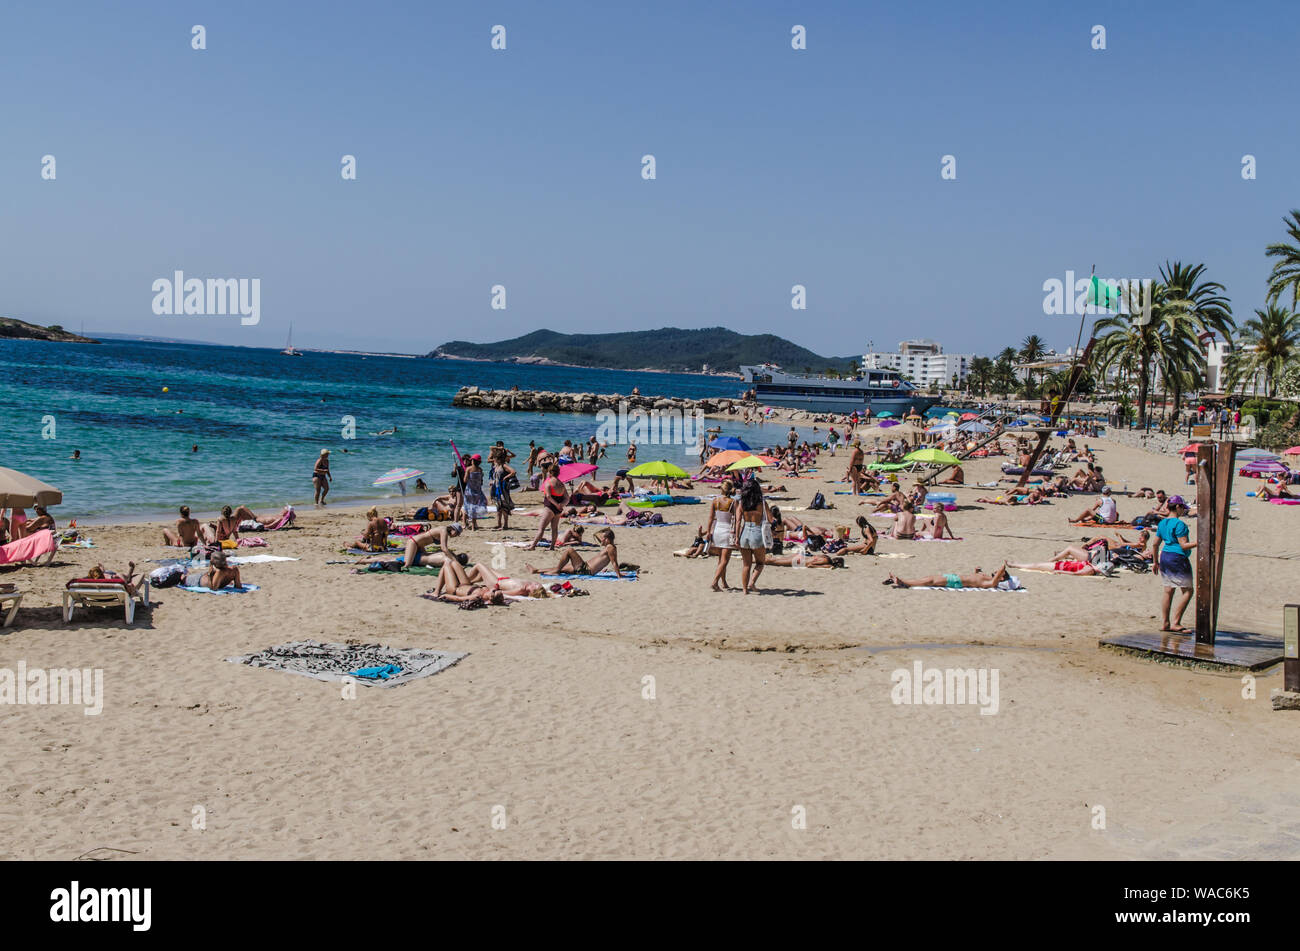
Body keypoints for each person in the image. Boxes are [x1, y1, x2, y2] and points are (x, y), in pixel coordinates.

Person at [1153, 496, 1197, 633]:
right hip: (1177, 558)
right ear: (1177, 507)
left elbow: (1155, 544)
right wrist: (1200, 543)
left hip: (1165, 556)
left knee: (1168, 590)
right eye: (1183, 507)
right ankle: (1176, 623)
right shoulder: (1179, 525)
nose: (1184, 510)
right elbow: (1183, 545)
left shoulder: (1162, 523)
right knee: (1188, 591)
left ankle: (1165, 623)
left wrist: (1155, 562)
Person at [526, 528, 620, 577]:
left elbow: (614, 562)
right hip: (585, 567)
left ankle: (556, 571)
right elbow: (608, 562)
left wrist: (619, 575)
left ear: (607, 539)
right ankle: (536, 570)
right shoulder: (610, 547)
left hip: (586, 570)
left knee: (569, 550)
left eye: (602, 538)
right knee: (563, 568)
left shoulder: (610, 547)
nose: (600, 540)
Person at [733, 477, 769, 594]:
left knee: (746, 565)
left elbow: (738, 521)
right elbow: (771, 518)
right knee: (760, 563)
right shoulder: (762, 503)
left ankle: (744, 590)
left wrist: (736, 537)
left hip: (745, 532)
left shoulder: (742, 503)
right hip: (757, 532)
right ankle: (752, 582)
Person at [526, 464, 568, 551]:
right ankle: (552, 546)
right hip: (558, 509)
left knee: (541, 528)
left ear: (551, 472)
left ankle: (533, 546)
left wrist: (556, 505)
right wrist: (561, 505)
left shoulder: (548, 483)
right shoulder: (561, 484)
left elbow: (548, 496)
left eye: (548, 472)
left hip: (550, 507)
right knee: (554, 528)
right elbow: (567, 498)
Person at [706, 480, 736, 591]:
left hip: (717, 530)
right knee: (724, 560)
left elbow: (710, 518)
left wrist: (708, 531)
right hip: (727, 530)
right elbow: (736, 519)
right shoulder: (732, 502)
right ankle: (715, 582)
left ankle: (723, 582)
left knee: (721, 560)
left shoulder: (715, 501)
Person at [885, 564, 1011, 589]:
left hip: (956, 581)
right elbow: (974, 577)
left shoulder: (991, 583)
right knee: (929, 578)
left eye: (1000, 574)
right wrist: (976, 571)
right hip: (954, 577)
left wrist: (1003, 567)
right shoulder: (985, 577)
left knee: (930, 581)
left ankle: (903, 582)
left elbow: (993, 583)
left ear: (1001, 578)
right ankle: (904, 582)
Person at [490, 454, 517, 530]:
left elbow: (513, 472)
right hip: (496, 488)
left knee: (504, 506)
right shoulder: (496, 466)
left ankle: (505, 525)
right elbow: (496, 477)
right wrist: (493, 482)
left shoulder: (504, 466)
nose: (493, 459)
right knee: (498, 507)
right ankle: (499, 524)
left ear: (498, 459)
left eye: (494, 458)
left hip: (503, 489)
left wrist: (505, 477)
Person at [462, 454, 488, 530]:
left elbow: (465, 480)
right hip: (477, 490)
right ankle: (474, 525)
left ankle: (470, 525)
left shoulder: (468, 469)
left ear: (473, 461)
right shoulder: (480, 470)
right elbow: (481, 480)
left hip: (469, 491)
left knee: (468, 507)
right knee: (475, 508)